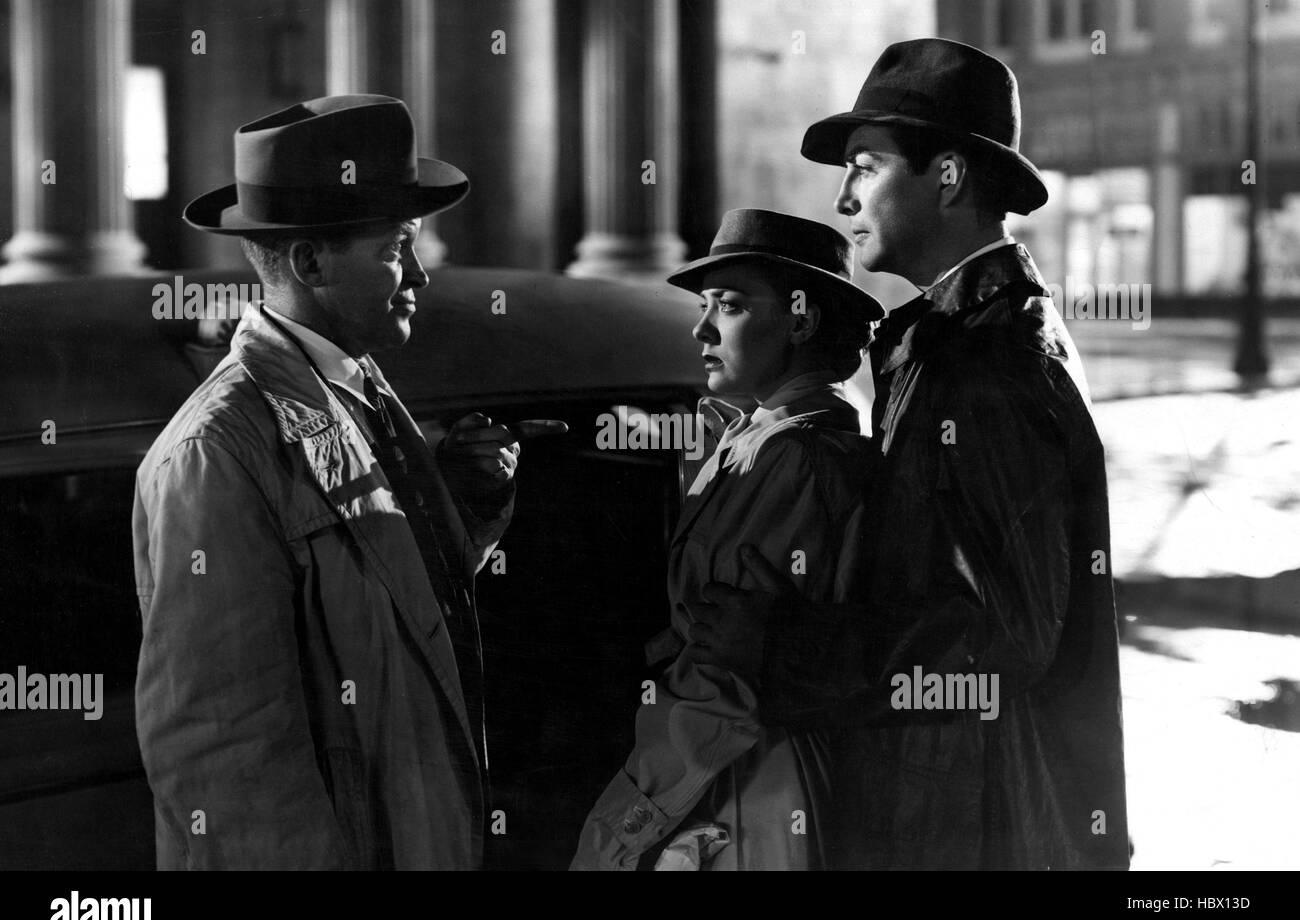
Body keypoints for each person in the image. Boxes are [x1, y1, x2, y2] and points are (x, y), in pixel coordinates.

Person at [681, 40, 1130, 870]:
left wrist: (793, 655)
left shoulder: (992, 356)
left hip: (979, 818)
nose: (845, 195)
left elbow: (1006, 630)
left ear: (949, 175)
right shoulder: (947, 338)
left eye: (865, 166)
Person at [133, 94, 561, 869]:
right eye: (398, 248)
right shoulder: (216, 452)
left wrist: (460, 505)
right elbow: (228, 761)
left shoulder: (356, 385)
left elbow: (385, 610)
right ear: (310, 262)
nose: (422, 275)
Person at [570, 209, 883, 870]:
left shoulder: (801, 456)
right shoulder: (759, 433)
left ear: (801, 320)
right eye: (705, 304)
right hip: (728, 778)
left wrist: (620, 833)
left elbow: (721, 683)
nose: (700, 326)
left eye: (731, 306)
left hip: (750, 790)